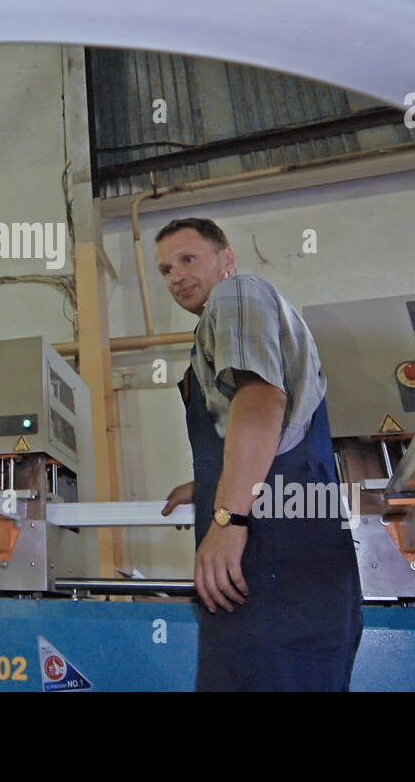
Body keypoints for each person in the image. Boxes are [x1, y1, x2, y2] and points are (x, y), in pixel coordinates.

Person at [155, 217, 362, 691]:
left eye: (188, 259)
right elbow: (282, 428)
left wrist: (228, 520)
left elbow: (261, 399)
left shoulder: (236, 295)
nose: (176, 277)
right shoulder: (229, 319)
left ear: (226, 260)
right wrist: (207, 482)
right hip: (295, 556)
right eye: (166, 269)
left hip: (271, 556)